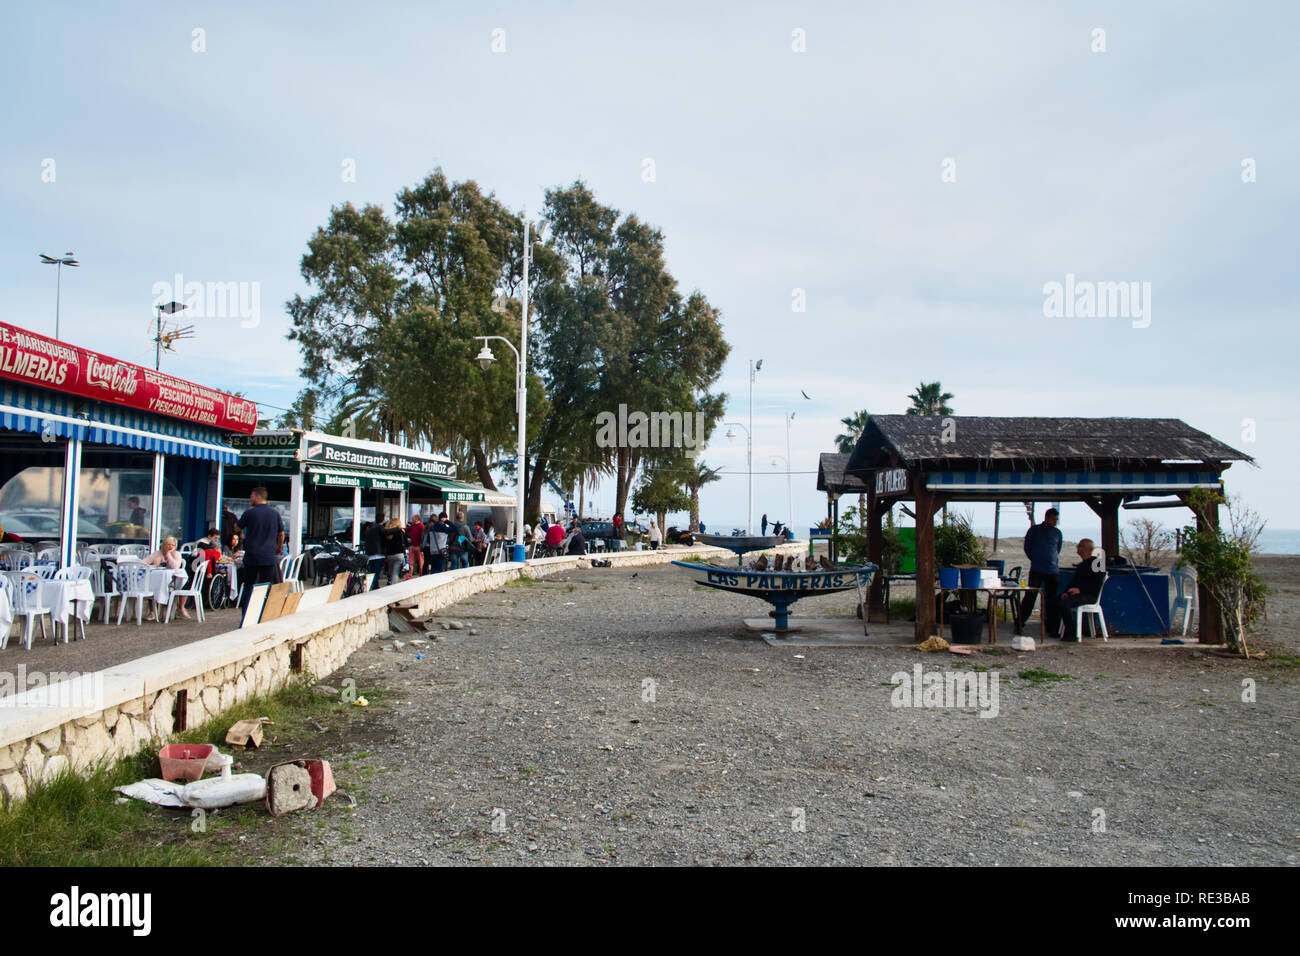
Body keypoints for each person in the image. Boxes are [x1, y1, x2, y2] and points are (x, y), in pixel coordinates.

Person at [1016, 507, 1063, 637]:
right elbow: (1027, 548)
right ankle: (1019, 623)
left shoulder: (1057, 533)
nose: (1055, 522)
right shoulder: (1034, 530)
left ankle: (1052, 627)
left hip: (1053, 570)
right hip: (1037, 570)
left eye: (1056, 520)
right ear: (1046, 517)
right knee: (1030, 597)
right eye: (1053, 519)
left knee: (1052, 600)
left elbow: (1057, 549)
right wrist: (1036, 559)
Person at [237, 487, 285, 611]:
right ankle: (264, 613)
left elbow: (237, 528)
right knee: (266, 586)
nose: (250, 498)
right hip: (268, 556)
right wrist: (278, 548)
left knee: (249, 586)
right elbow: (281, 534)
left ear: (258, 497)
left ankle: (247, 614)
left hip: (252, 555)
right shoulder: (275, 513)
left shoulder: (249, 512)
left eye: (252, 496)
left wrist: (241, 531)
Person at [1059, 539, 1107, 642]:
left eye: (1079, 546)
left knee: (1065, 604)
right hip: (1079, 594)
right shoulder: (1082, 565)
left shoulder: (1097, 564)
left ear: (1084, 549)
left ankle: (1071, 633)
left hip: (1089, 595)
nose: (1077, 548)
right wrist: (1066, 592)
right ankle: (1054, 630)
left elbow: (1097, 584)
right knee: (1055, 600)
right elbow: (1074, 582)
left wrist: (1080, 590)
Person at [145, 536, 190, 619]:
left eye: (173, 545)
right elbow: (144, 563)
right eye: (168, 544)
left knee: (185, 584)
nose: (170, 547)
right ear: (164, 545)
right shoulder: (157, 553)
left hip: (173, 581)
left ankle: (181, 608)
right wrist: (154, 566)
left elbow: (175, 566)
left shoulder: (177, 554)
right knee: (151, 584)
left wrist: (169, 555)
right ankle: (152, 612)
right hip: (159, 579)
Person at [363, 516, 386, 589]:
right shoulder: (380, 528)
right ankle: (373, 586)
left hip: (370, 553)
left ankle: (371, 585)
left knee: (372, 571)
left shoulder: (369, 530)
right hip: (378, 553)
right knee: (376, 571)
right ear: (383, 520)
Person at [382, 518, 406, 585]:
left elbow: (384, 544)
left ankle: (390, 580)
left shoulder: (388, 533)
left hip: (390, 555)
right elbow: (406, 543)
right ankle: (393, 585)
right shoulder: (401, 532)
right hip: (399, 554)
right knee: (396, 572)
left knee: (391, 571)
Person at [407, 512, 425, 577]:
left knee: (420, 562)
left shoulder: (421, 526)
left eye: (413, 518)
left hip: (418, 546)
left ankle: (421, 573)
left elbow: (423, 536)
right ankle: (410, 574)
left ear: (417, 519)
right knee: (410, 561)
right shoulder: (413, 526)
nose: (412, 519)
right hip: (413, 546)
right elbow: (406, 529)